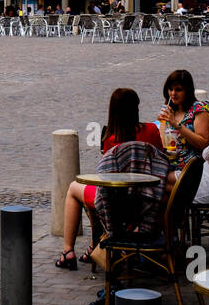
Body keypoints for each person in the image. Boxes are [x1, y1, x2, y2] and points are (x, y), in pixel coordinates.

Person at [55, 88, 164, 269]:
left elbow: (106, 176)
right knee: (96, 194)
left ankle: (68, 251)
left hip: (118, 202)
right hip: (147, 199)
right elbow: (160, 158)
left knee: (75, 188)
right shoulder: (151, 130)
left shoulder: (111, 138)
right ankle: (93, 245)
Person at [157, 69, 209, 190]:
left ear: (187, 90)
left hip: (193, 168)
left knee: (156, 183)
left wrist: (176, 124)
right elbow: (163, 143)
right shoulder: (169, 111)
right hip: (170, 164)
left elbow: (204, 143)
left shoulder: (199, 109)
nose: (173, 93)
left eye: (178, 90)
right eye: (170, 89)